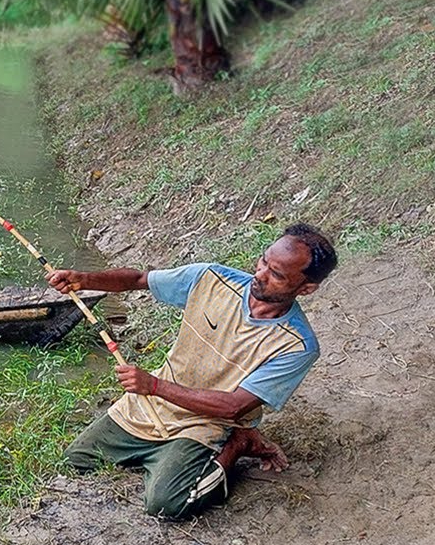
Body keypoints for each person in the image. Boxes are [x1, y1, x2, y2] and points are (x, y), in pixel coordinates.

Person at [47, 223, 338, 520]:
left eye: (276, 274)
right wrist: (83, 279)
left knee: (166, 504)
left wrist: (155, 386)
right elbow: (137, 279)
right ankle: (162, 456)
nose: (259, 274)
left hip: (208, 423)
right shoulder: (210, 278)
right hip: (153, 405)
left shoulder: (297, 345)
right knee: (77, 460)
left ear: (306, 289)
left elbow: (233, 406)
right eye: (263, 261)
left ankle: (240, 443)